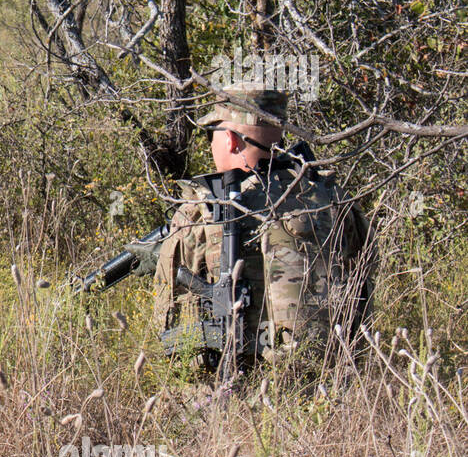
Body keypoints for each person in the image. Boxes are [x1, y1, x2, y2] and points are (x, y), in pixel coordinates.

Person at [148, 81, 370, 370]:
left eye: (211, 135)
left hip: (233, 391)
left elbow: (163, 323)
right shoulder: (331, 199)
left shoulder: (200, 213)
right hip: (323, 382)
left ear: (230, 139)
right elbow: (363, 285)